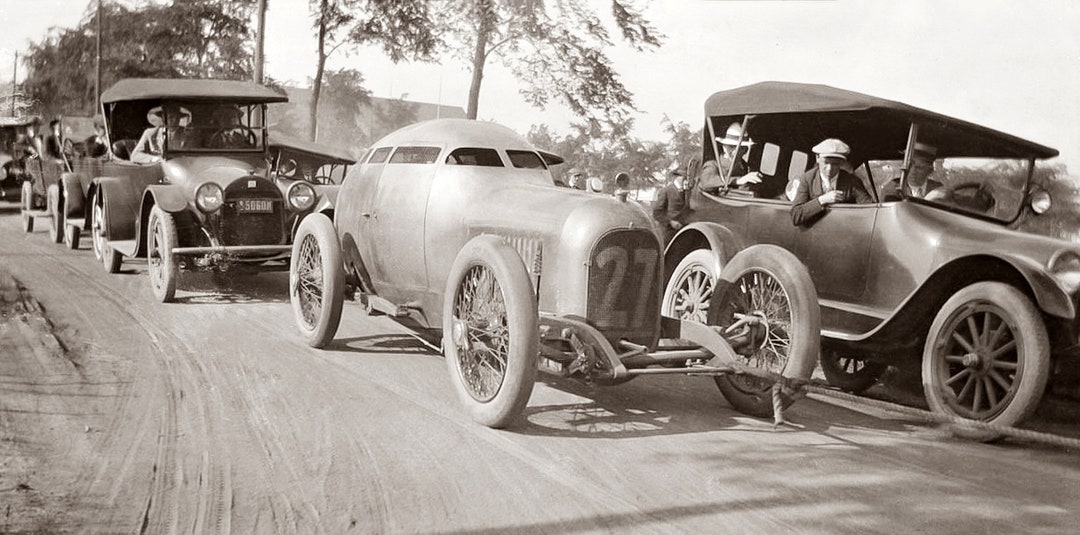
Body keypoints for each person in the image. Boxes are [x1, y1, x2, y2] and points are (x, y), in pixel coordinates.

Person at [790, 138, 872, 227]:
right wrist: (822, 200)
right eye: (826, 163)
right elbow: (796, 216)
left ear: (842, 163)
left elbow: (870, 209)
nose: (829, 168)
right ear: (817, 158)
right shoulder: (807, 179)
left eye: (835, 164)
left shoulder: (852, 181)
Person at [699, 122, 763, 193]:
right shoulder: (713, 165)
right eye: (731, 146)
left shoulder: (746, 167)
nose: (735, 150)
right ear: (724, 147)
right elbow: (706, 182)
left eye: (740, 148)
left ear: (745, 150)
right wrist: (738, 180)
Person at [652, 168, 691, 243]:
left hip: (683, 232)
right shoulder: (666, 191)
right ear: (677, 177)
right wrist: (670, 222)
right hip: (668, 232)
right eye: (684, 177)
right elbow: (657, 213)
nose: (686, 180)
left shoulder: (688, 192)